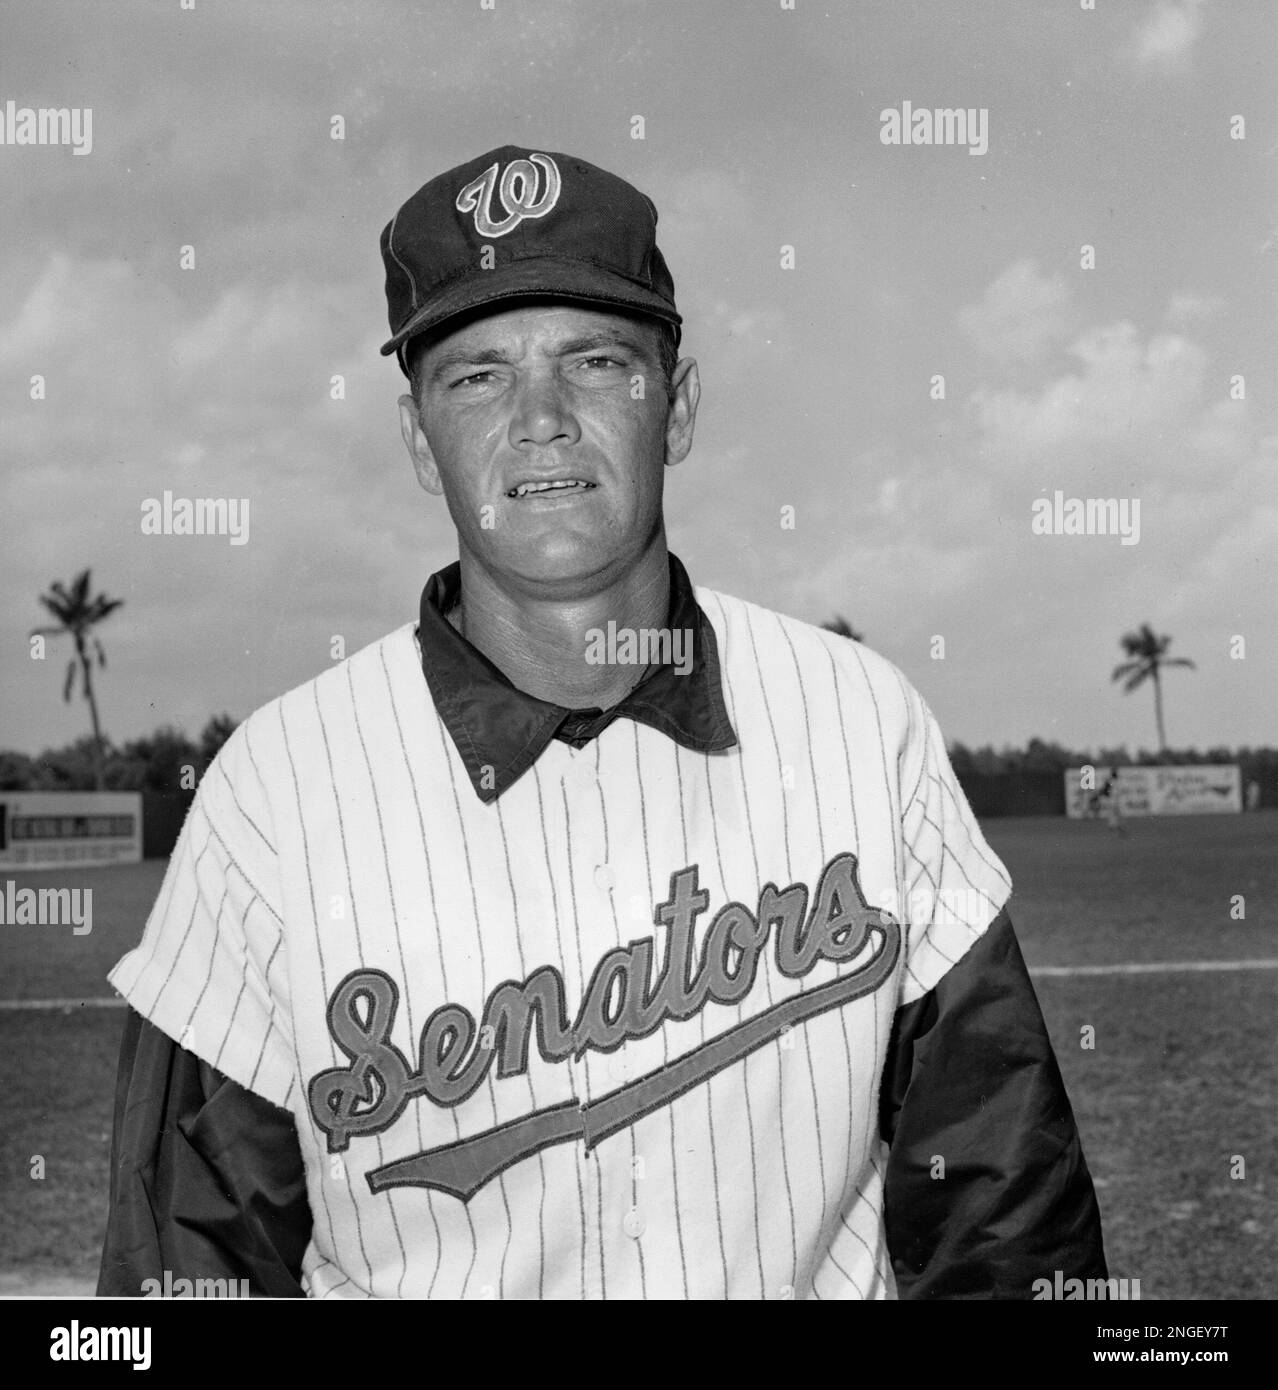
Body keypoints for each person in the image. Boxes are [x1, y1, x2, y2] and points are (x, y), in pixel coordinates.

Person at [98, 145, 1105, 1300]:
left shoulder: (857, 721)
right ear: (420, 439)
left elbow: (1000, 1192)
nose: (541, 419)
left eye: (595, 361)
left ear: (675, 408)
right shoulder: (271, 798)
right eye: (477, 375)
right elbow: (194, 1261)